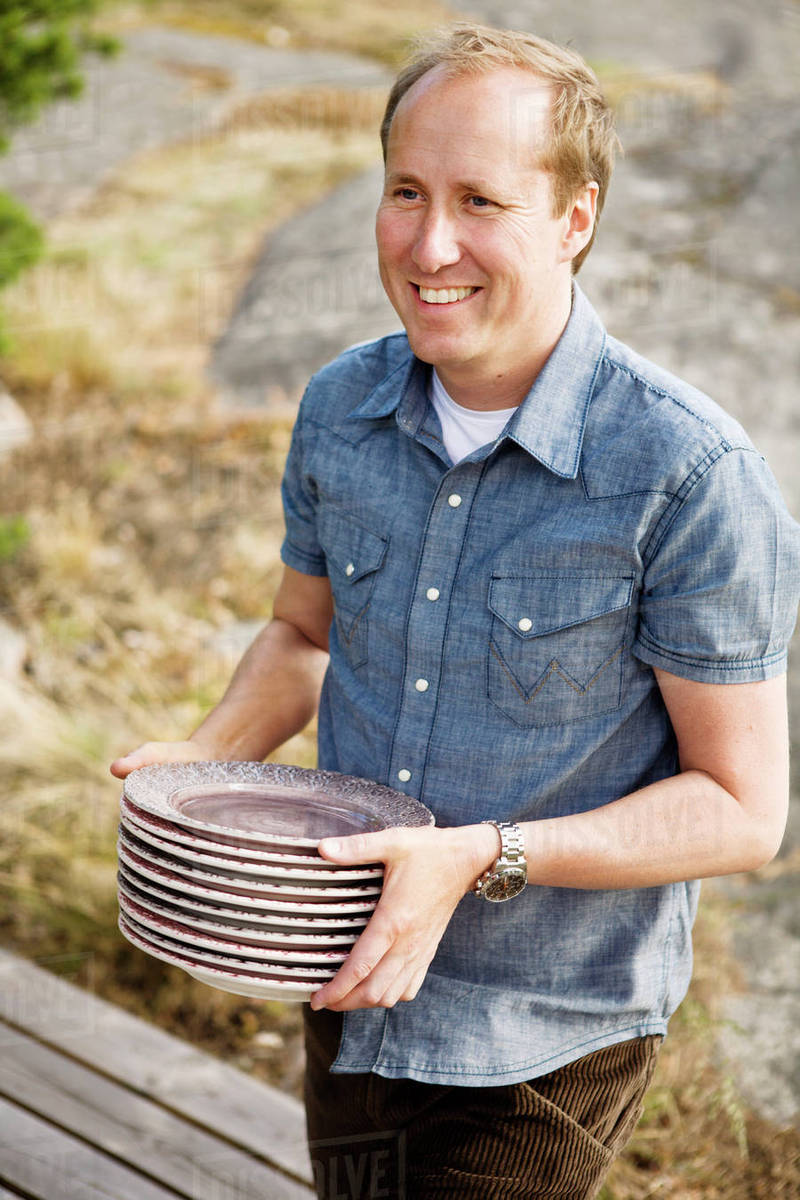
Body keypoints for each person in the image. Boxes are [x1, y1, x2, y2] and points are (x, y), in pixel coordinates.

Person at [111, 24, 800, 1200]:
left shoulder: (686, 472)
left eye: (480, 200)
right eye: (405, 192)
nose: (430, 244)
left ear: (573, 218)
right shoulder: (339, 407)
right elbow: (302, 637)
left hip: (542, 1040)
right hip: (339, 980)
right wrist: (204, 758)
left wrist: (484, 856)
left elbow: (741, 813)